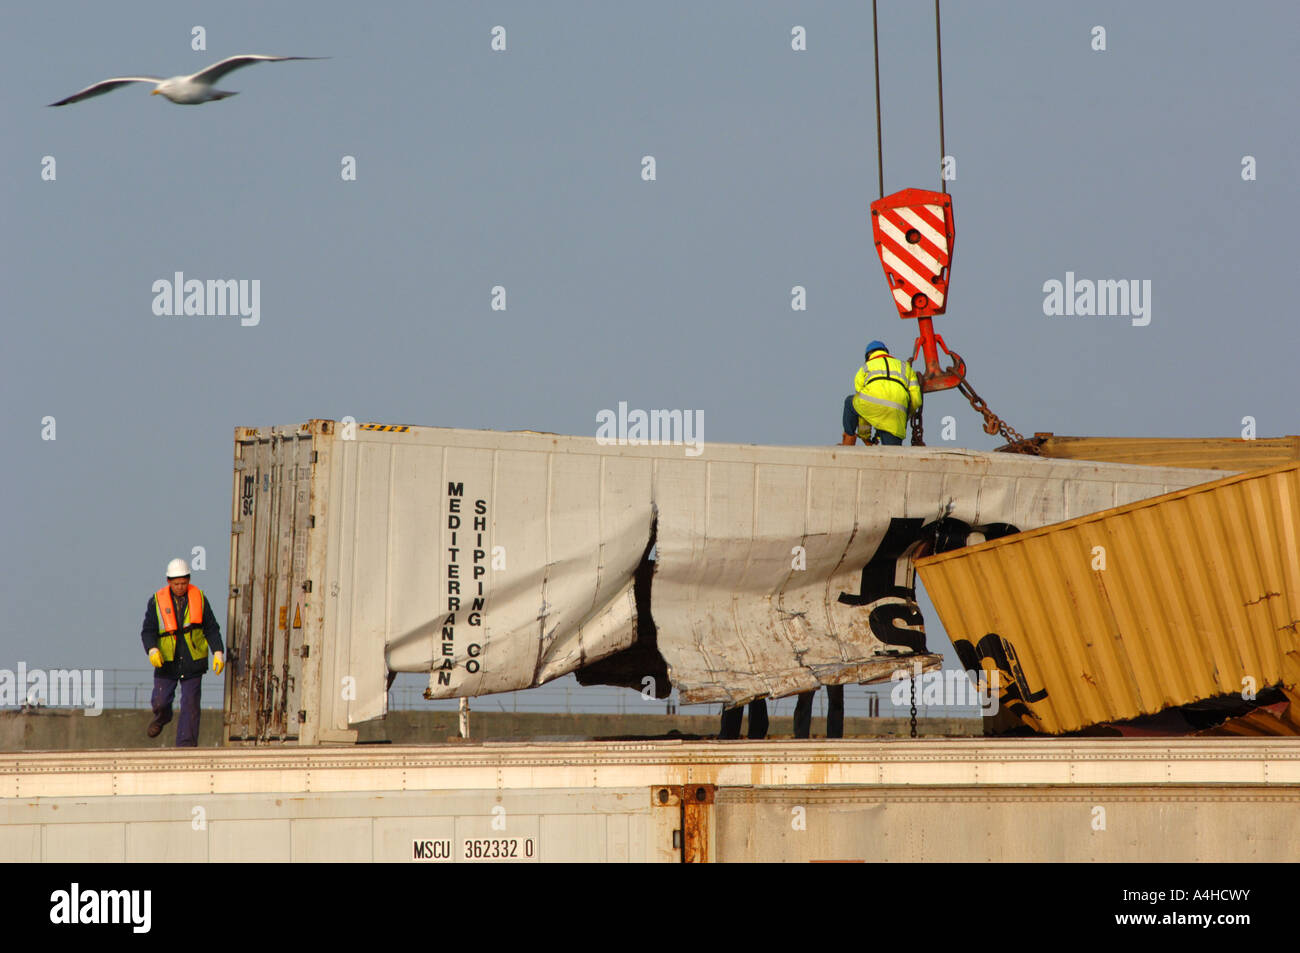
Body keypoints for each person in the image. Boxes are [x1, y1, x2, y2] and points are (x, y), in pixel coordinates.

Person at [140, 558, 224, 746]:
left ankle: (185, 746)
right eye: (176, 583)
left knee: (190, 705)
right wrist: (152, 649)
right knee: (161, 701)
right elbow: (148, 631)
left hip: (192, 661)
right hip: (166, 662)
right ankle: (162, 717)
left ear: (189, 580)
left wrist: (218, 651)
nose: (180, 587)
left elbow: (211, 628)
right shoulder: (156, 602)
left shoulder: (200, 598)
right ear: (169, 581)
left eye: (184, 583)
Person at [841, 340, 922, 446]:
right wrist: (903, 416)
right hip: (896, 413)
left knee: (849, 402)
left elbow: (863, 411)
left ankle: (848, 441)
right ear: (886, 352)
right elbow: (916, 401)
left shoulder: (865, 368)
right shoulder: (906, 367)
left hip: (872, 406)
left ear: (868, 356)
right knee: (893, 456)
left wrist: (865, 437)